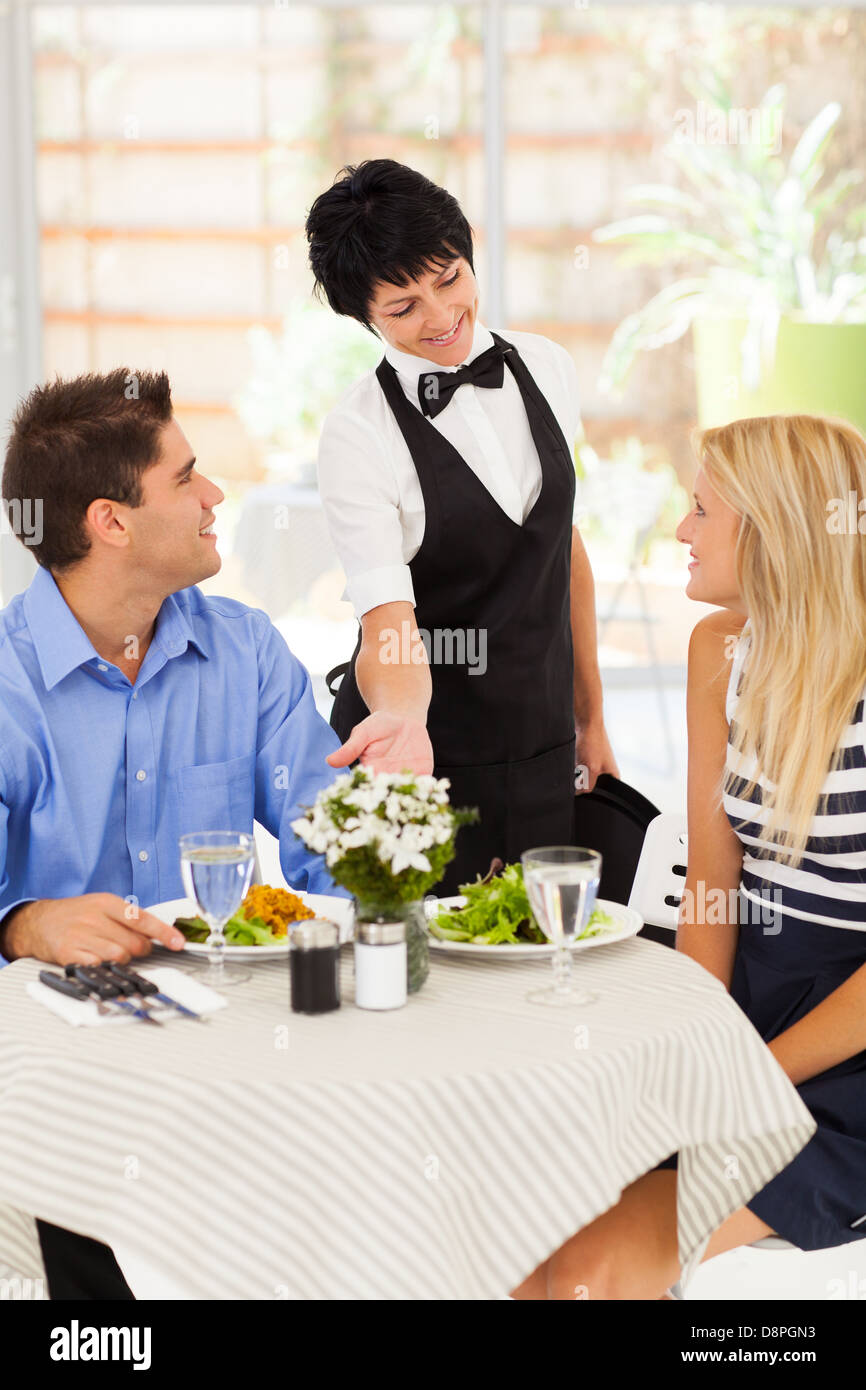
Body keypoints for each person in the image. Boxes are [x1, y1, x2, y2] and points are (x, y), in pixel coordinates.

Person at [0, 368, 347, 1296]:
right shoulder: (6, 683)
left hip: (240, 1052)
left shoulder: (248, 651)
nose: (216, 495)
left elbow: (333, 843)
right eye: (187, 477)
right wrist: (26, 925)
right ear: (111, 522)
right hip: (59, 1072)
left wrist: (386, 843)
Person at [512, 413, 866, 1299]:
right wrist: (692, 1056)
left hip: (844, 1058)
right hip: (742, 1009)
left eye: (702, 510)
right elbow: (714, 882)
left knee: (590, 1273)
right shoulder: (721, 652)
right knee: (510, 1245)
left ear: (776, 531)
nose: (679, 530)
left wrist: (741, 1079)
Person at [306, 159, 618, 894]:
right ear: (363, 318)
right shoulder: (358, 434)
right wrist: (406, 722)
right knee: (425, 982)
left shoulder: (547, 366)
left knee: (544, 961)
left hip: (540, 743)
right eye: (403, 306)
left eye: (449, 279)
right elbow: (388, 618)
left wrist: (591, 717)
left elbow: (561, 548)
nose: (442, 318)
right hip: (421, 766)